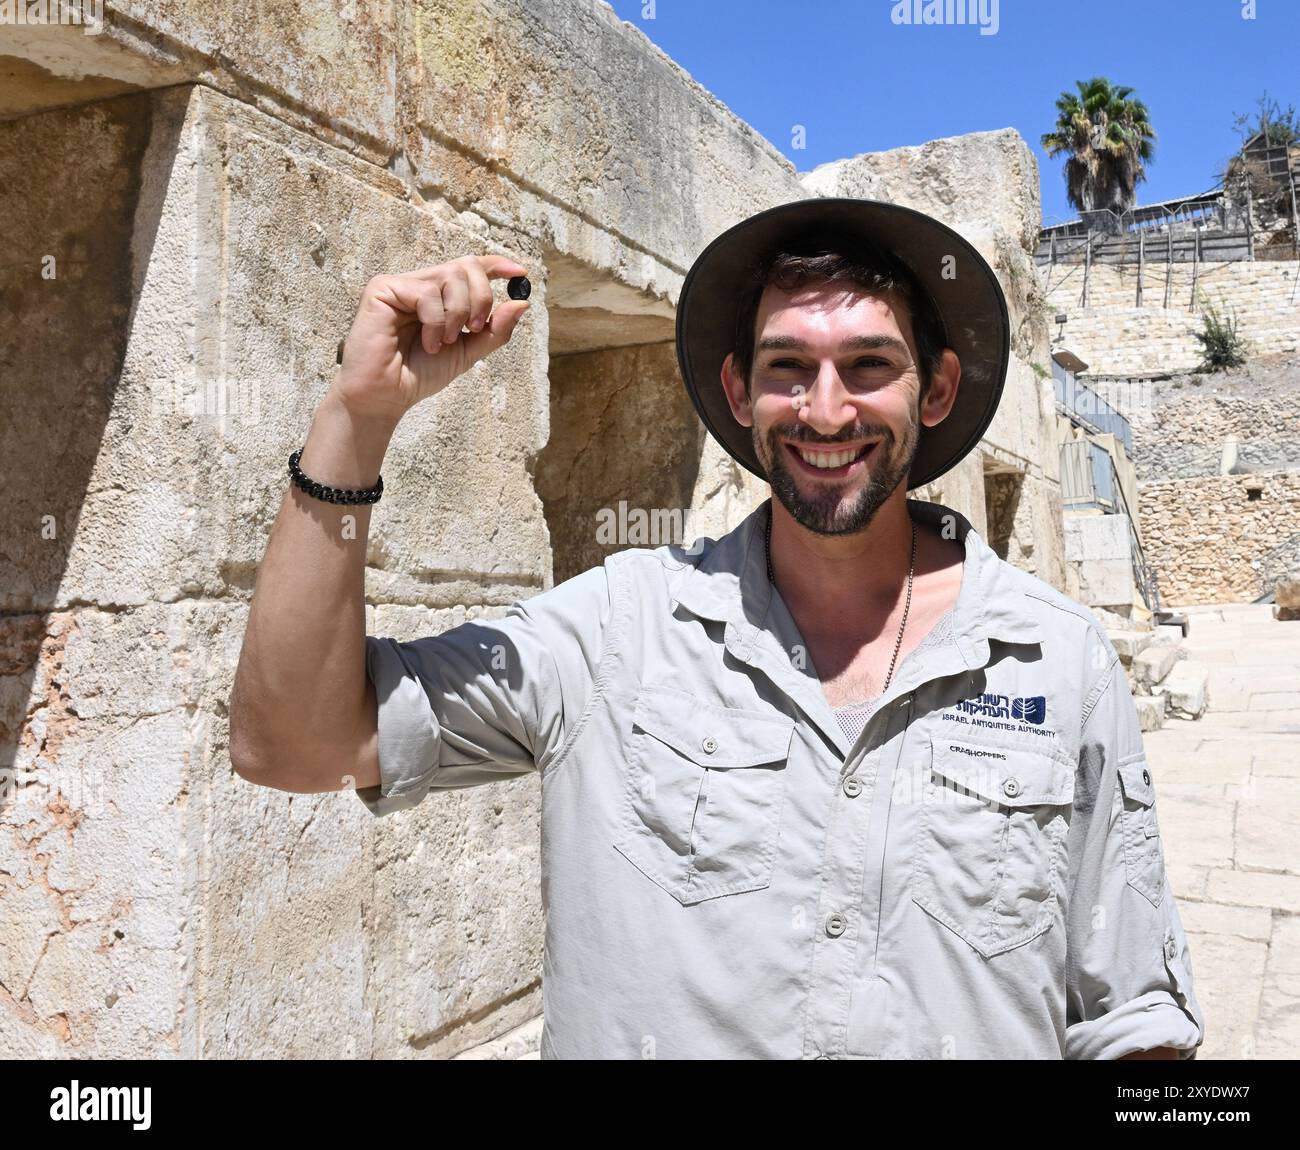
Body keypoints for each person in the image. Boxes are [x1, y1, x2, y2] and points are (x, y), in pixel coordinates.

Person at [229, 197, 1205, 1061]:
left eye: (868, 365)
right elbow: (299, 742)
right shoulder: (615, 629)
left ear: (936, 390)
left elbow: (1131, 1018)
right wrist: (358, 418)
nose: (824, 410)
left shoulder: (1060, 661)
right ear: (740, 394)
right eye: (789, 369)